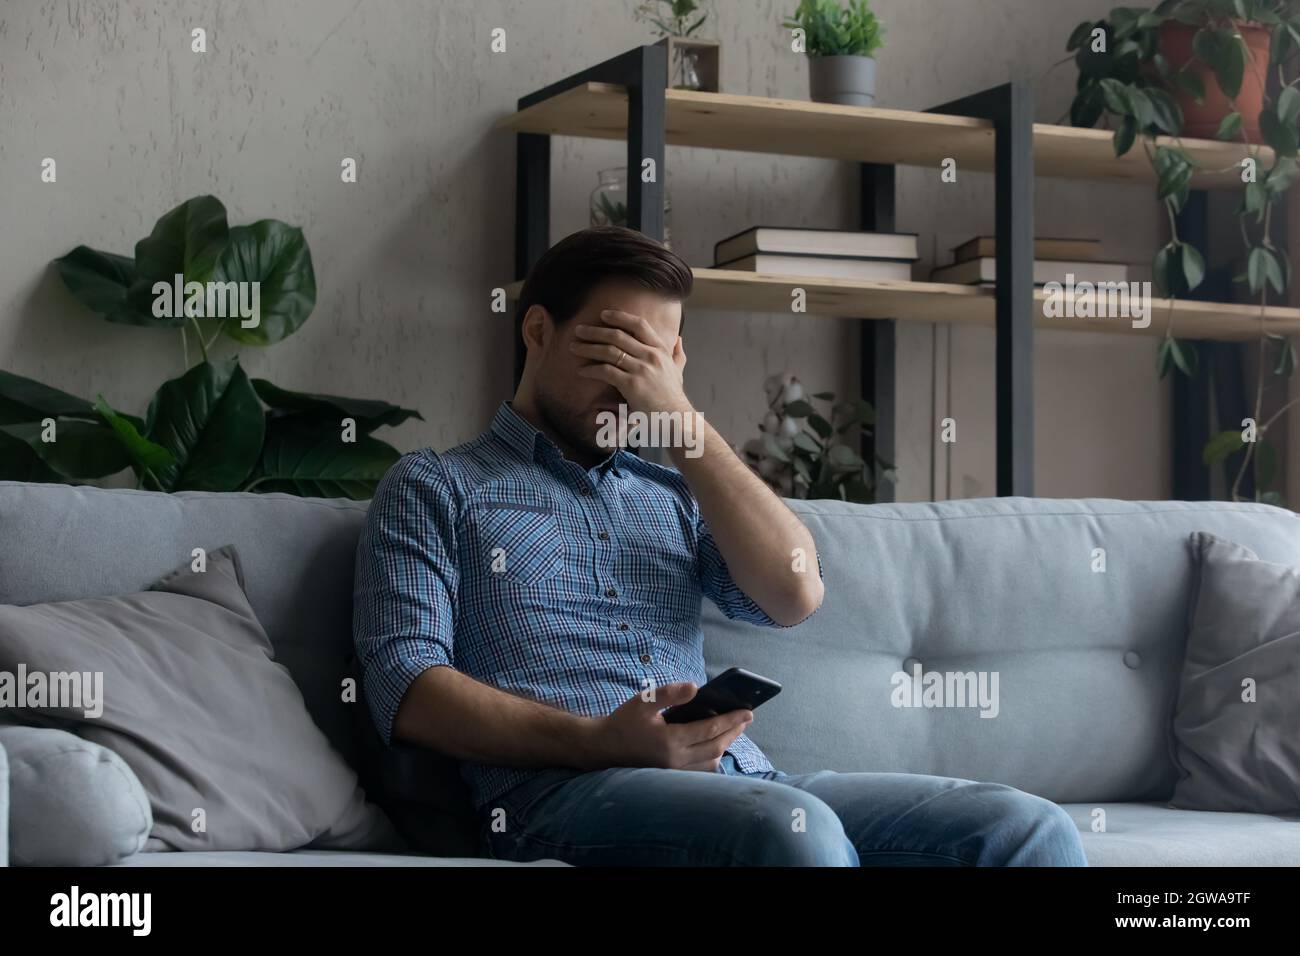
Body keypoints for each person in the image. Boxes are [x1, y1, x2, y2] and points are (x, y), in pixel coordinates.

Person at [353, 225, 1087, 867]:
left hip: (747, 783)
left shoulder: (674, 495)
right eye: (612, 349)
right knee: (794, 840)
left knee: (1024, 829)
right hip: (559, 798)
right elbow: (406, 688)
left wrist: (680, 421)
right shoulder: (435, 486)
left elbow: (795, 591)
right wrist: (600, 740)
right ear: (538, 331)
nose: (629, 384)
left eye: (653, 361)